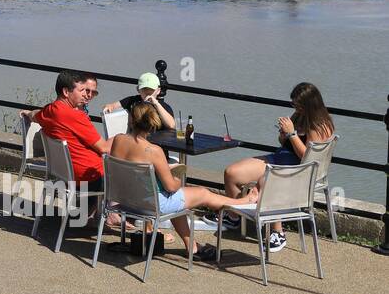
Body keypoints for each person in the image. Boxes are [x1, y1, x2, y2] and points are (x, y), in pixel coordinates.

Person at [109, 102, 257, 262]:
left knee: (179, 201)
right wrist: (178, 174)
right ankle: (242, 202)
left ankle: (192, 247)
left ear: (131, 119)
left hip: (126, 201)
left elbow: (131, 168)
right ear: (153, 122)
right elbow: (171, 187)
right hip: (150, 205)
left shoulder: (118, 140)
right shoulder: (153, 151)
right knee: (203, 193)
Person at [221, 81, 334, 252]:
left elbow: (307, 158)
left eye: (298, 105)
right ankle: (234, 217)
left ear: (309, 105)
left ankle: (278, 232)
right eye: (294, 104)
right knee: (232, 173)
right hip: (279, 159)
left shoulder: (318, 126)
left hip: (298, 172)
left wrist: (292, 133)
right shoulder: (299, 116)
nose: (295, 108)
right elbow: (285, 144)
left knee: (267, 181)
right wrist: (283, 136)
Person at [21, 70, 114, 187]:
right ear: (66, 92)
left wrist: (28, 113)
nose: (85, 95)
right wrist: (120, 137)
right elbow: (104, 148)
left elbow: (34, 115)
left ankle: (92, 205)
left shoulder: (49, 110)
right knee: (126, 176)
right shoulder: (75, 116)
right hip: (89, 176)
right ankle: (103, 205)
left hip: (65, 174)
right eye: (81, 91)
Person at [102, 72, 174, 130]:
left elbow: (171, 125)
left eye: (151, 89)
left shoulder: (164, 107)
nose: (148, 92)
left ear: (158, 91)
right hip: (135, 141)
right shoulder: (133, 101)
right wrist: (109, 108)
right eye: (144, 89)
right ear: (138, 90)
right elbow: (112, 106)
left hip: (156, 143)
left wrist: (157, 104)